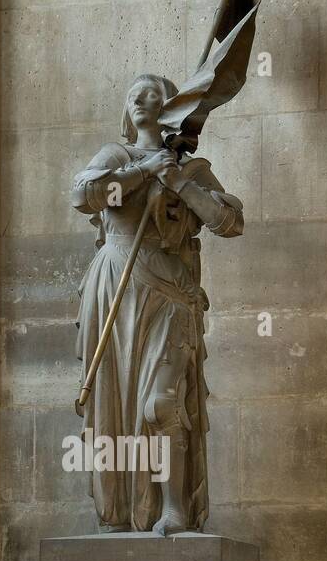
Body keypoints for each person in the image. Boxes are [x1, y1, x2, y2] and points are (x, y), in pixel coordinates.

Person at [72, 73, 244, 535]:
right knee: (114, 404)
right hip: (114, 286)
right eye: (134, 95)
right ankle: (119, 510)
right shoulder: (115, 156)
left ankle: (174, 510)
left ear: (170, 107)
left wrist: (179, 182)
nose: (141, 100)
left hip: (170, 294)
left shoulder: (191, 168)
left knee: (160, 405)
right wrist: (143, 172)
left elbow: (229, 220)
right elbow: (86, 195)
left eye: (153, 95)